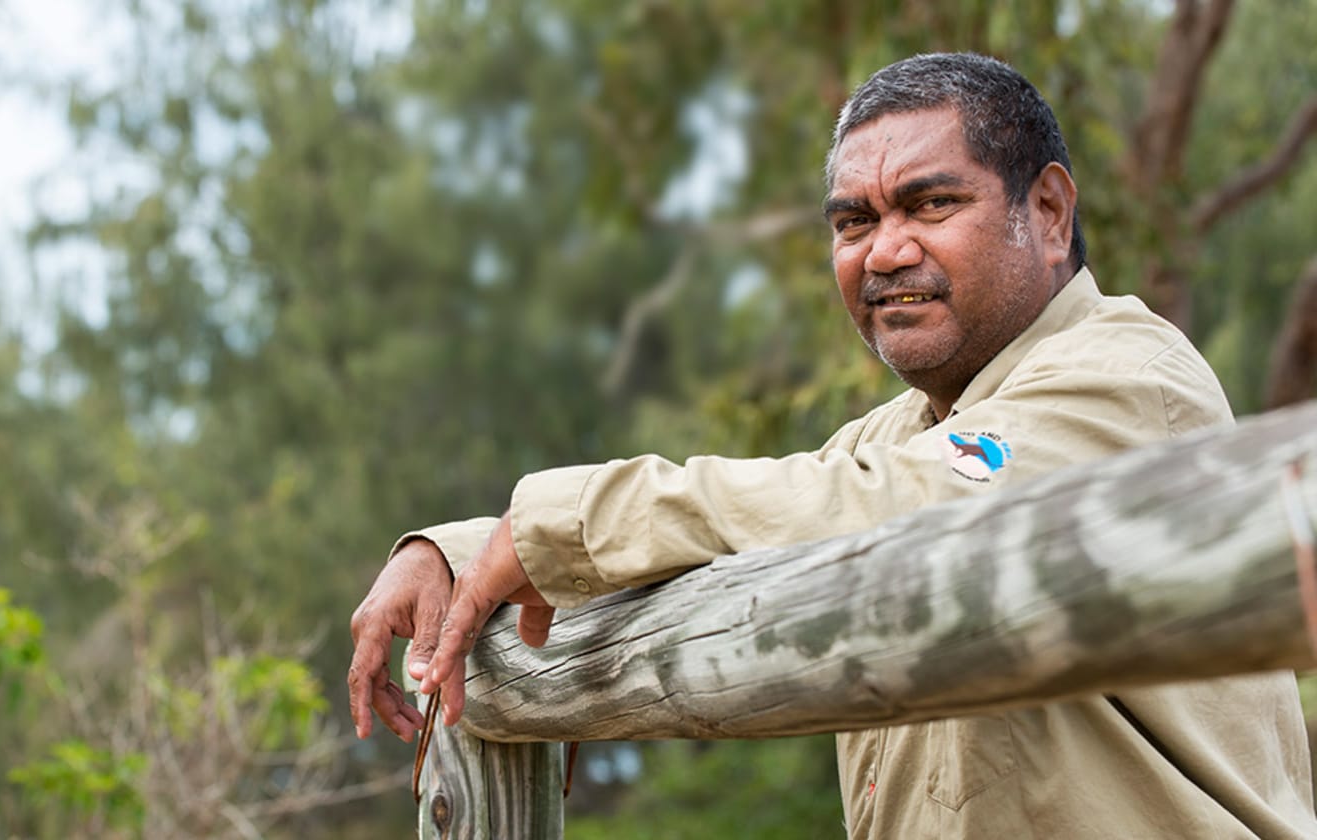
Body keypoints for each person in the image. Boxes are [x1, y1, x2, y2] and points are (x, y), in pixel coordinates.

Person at [348, 53, 1317, 838]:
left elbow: (907, 509)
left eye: (930, 205)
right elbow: (770, 513)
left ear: (1049, 213)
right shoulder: (897, 436)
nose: (883, 251)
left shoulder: (1124, 375)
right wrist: (462, 547)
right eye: (853, 221)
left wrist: (559, 526)